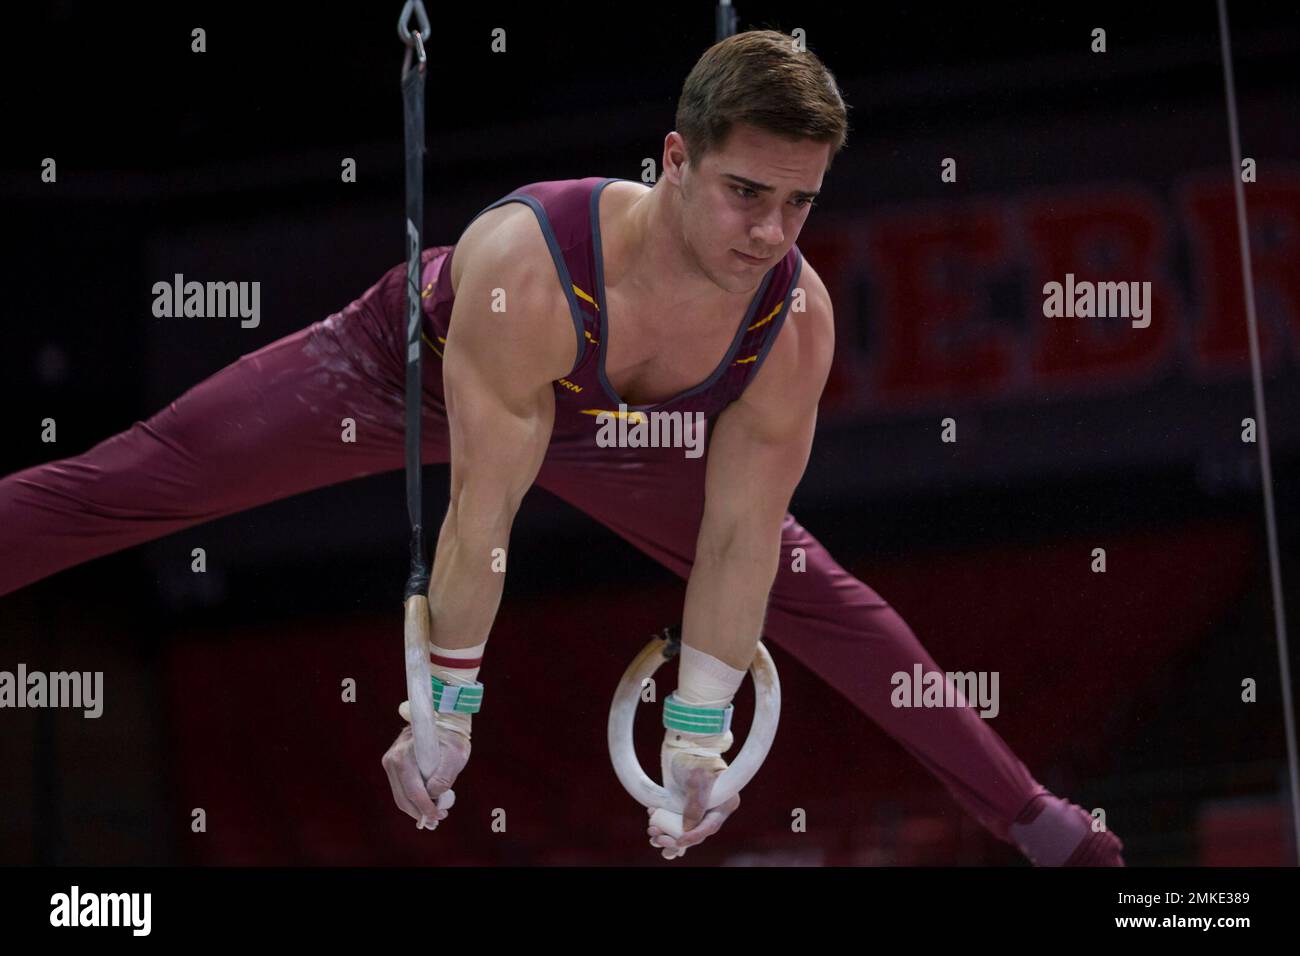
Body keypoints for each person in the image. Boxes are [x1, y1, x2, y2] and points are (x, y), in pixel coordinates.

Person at [0, 30, 1123, 864]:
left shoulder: (797, 319)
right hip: (409, 369)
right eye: (744, 193)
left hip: (615, 425)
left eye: (798, 202)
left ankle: (1038, 823)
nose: (770, 234)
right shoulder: (530, 265)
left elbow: (735, 543)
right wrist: (443, 708)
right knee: (138, 482)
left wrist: (696, 733)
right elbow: (481, 518)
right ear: (673, 158)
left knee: (805, 581)